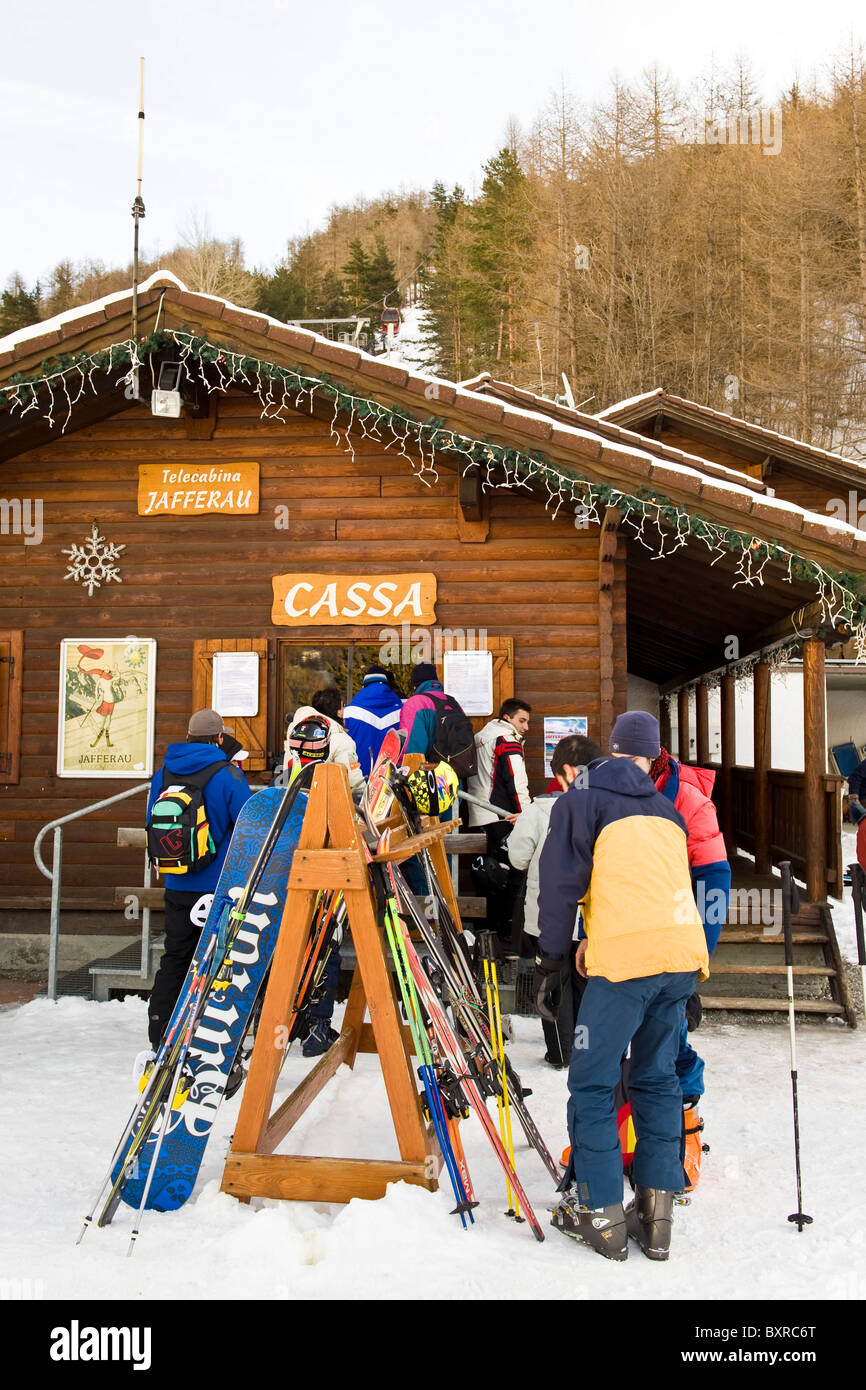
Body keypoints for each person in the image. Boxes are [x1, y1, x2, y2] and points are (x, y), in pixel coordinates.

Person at [536, 711, 709, 1262]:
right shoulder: (666, 811)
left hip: (626, 967)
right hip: (679, 956)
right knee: (657, 1079)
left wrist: (552, 958)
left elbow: (561, 885)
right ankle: (656, 1219)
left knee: (592, 1080)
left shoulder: (579, 801)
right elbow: (645, 889)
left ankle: (600, 1212)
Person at [146, 708, 252, 1050]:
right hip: (219, 889)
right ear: (219, 738)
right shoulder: (228, 775)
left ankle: (161, 1028)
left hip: (176, 884)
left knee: (176, 955)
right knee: (221, 957)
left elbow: (153, 820)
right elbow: (251, 826)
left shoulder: (163, 773)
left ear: (188, 736)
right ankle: (213, 1031)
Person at [507, 734, 603, 1066]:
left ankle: (560, 1053)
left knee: (553, 985)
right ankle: (586, 1049)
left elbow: (517, 858)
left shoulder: (538, 810)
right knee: (586, 985)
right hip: (591, 917)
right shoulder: (605, 807)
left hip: (547, 917)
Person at [649, 745, 730, 1126]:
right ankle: (620, 1120)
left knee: (671, 1025)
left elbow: (713, 880)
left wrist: (701, 950)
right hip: (623, 931)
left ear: (654, 758)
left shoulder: (689, 800)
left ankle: (685, 1106)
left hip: (674, 930)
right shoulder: (611, 792)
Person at [467, 698, 533, 948]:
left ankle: (485, 931)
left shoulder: (482, 736)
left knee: (487, 874)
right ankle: (503, 934)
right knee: (507, 876)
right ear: (507, 718)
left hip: (481, 812)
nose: (526, 727)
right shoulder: (507, 740)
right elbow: (516, 782)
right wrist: (526, 815)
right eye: (522, 720)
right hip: (502, 815)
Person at [281, 688, 364, 794]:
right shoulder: (341, 739)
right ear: (338, 712)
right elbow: (355, 783)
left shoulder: (295, 731)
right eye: (343, 706)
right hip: (322, 805)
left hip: (291, 800)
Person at [344, 664, 403, 776]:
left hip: (360, 778)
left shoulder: (350, 712)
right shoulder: (401, 711)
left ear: (364, 686)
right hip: (390, 779)